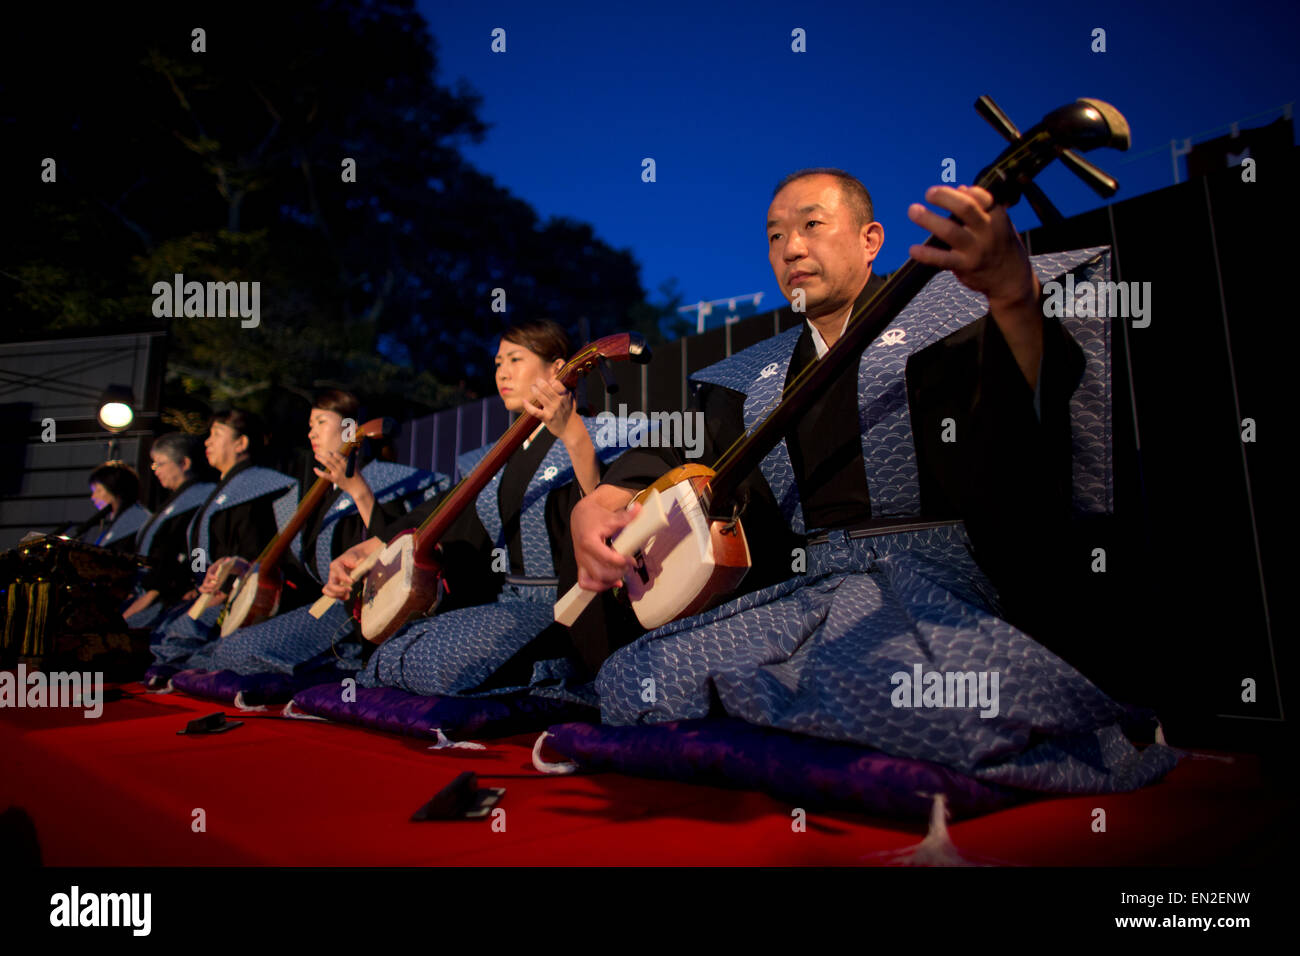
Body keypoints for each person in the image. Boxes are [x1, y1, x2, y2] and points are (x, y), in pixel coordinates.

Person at [568, 170, 1176, 793]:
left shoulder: (957, 314)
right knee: (636, 677)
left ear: (871, 240)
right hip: (810, 590)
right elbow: (673, 447)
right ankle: (819, 725)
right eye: (775, 236)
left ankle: (795, 724)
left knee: (914, 693)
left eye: (811, 224)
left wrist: (1015, 301)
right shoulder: (753, 376)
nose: (791, 248)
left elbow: (1027, 421)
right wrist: (600, 502)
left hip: (937, 583)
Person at [321, 319, 625, 699]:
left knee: (442, 665)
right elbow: (439, 512)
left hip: (571, 611)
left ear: (557, 368)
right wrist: (367, 548)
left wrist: (574, 434)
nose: (502, 373)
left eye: (515, 359)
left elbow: (604, 514)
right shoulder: (496, 456)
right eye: (498, 363)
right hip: (507, 603)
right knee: (399, 653)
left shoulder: (607, 436)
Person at [180, 390, 441, 677]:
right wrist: (246, 569)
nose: (311, 432)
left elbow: (393, 550)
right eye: (310, 425)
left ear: (350, 429)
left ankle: (346, 669)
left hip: (358, 611)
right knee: (215, 651)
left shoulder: (392, 482)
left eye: (321, 422)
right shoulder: (316, 491)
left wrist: (359, 492)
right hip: (318, 605)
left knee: (238, 654)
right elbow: (298, 567)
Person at [144, 408, 298, 684]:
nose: (208, 441)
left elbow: (255, 552)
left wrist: (224, 586)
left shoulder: (262, 488)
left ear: (241, 443)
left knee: (177, 639)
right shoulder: (222, 490)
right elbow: (199, 548)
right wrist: (197, 581)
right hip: (208, 592)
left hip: (239, 596)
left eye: (216, 434)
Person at [123, 433, 216, 623]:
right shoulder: (175, 501)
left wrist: (195, 580)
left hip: (172, 594)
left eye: (160, 464)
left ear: (184, 463)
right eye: (154, 465)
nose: (156, 471)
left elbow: (193, 551)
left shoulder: (201, 499)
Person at [82, 462, 150, 552]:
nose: (93, 497)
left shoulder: (138, 521)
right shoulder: (121, 521)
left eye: (98, 490)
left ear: (116, 489)